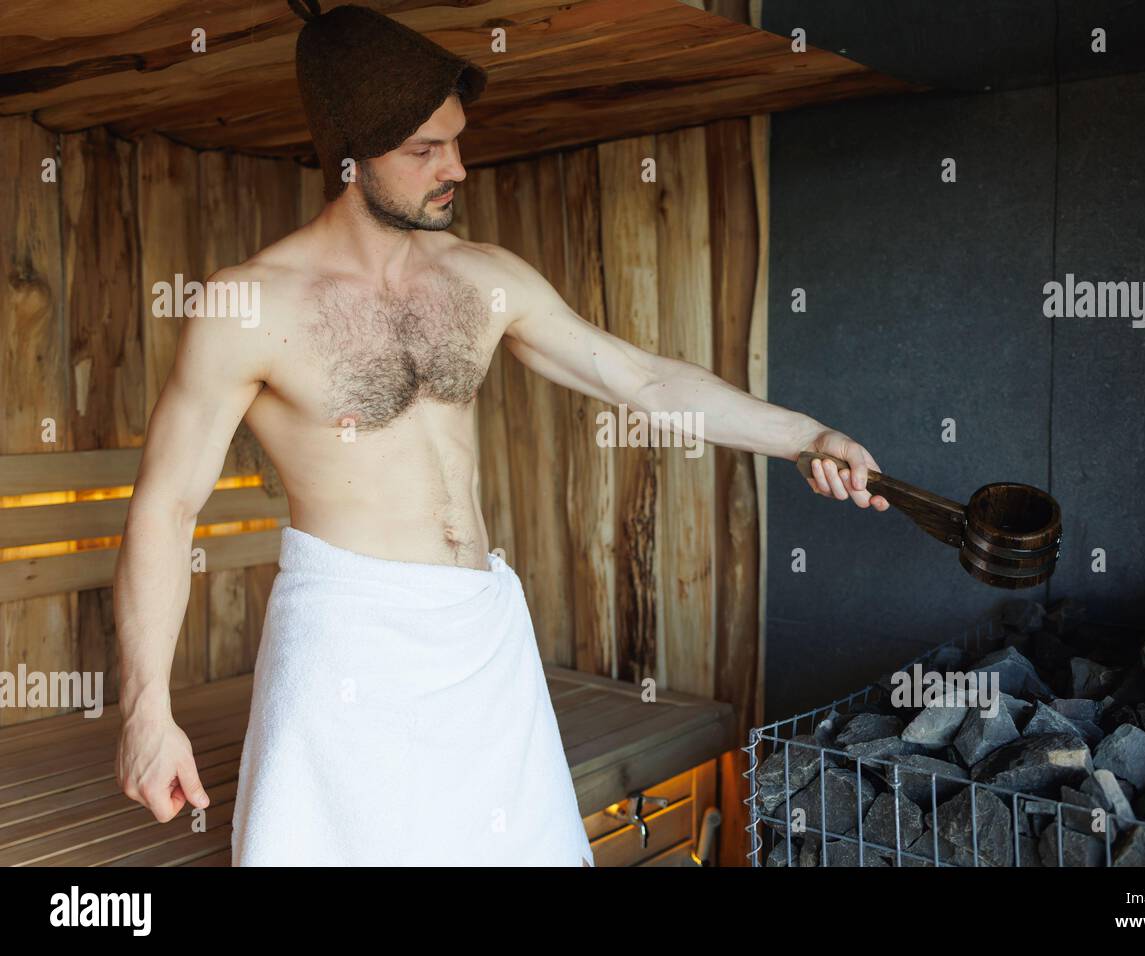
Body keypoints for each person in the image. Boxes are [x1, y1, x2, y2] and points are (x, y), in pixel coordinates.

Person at [113, 1, 889, 866]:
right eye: (423, 151)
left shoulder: (481, 277)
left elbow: (639, 378)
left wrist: (808, 437)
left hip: (481, 634)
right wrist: (148, 713)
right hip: (348, 648)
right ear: (346, 156)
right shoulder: (250, 305)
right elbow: (167, 506)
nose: (457, 168)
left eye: (456, 139)